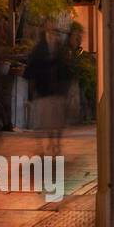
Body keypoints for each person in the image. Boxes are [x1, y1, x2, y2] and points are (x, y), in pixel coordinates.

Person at [24, 23, 68, 154]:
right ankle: (44, 146)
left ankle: (56, 144)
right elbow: (32, 67)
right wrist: (32, 90)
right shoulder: (39, 49)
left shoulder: (59, 49)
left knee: (56, 120)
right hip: (43, 88)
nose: (53, 34)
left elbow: (65, 68)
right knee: (44, 120)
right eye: (50, 31)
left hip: (57, 90)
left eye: (54, 32)